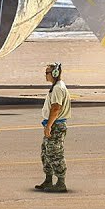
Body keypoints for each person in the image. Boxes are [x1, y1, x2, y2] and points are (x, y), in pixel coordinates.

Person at [35, 62, 71, 193]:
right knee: (46, 152)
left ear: (54, 74)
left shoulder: (57, 89)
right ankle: (48, 180)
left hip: (56, 125)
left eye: (47, 73)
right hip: (52, 124)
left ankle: (61, 182)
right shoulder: (56, 87)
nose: (46, 75)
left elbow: (56, 108)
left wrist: (49, 126)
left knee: (55, 153)